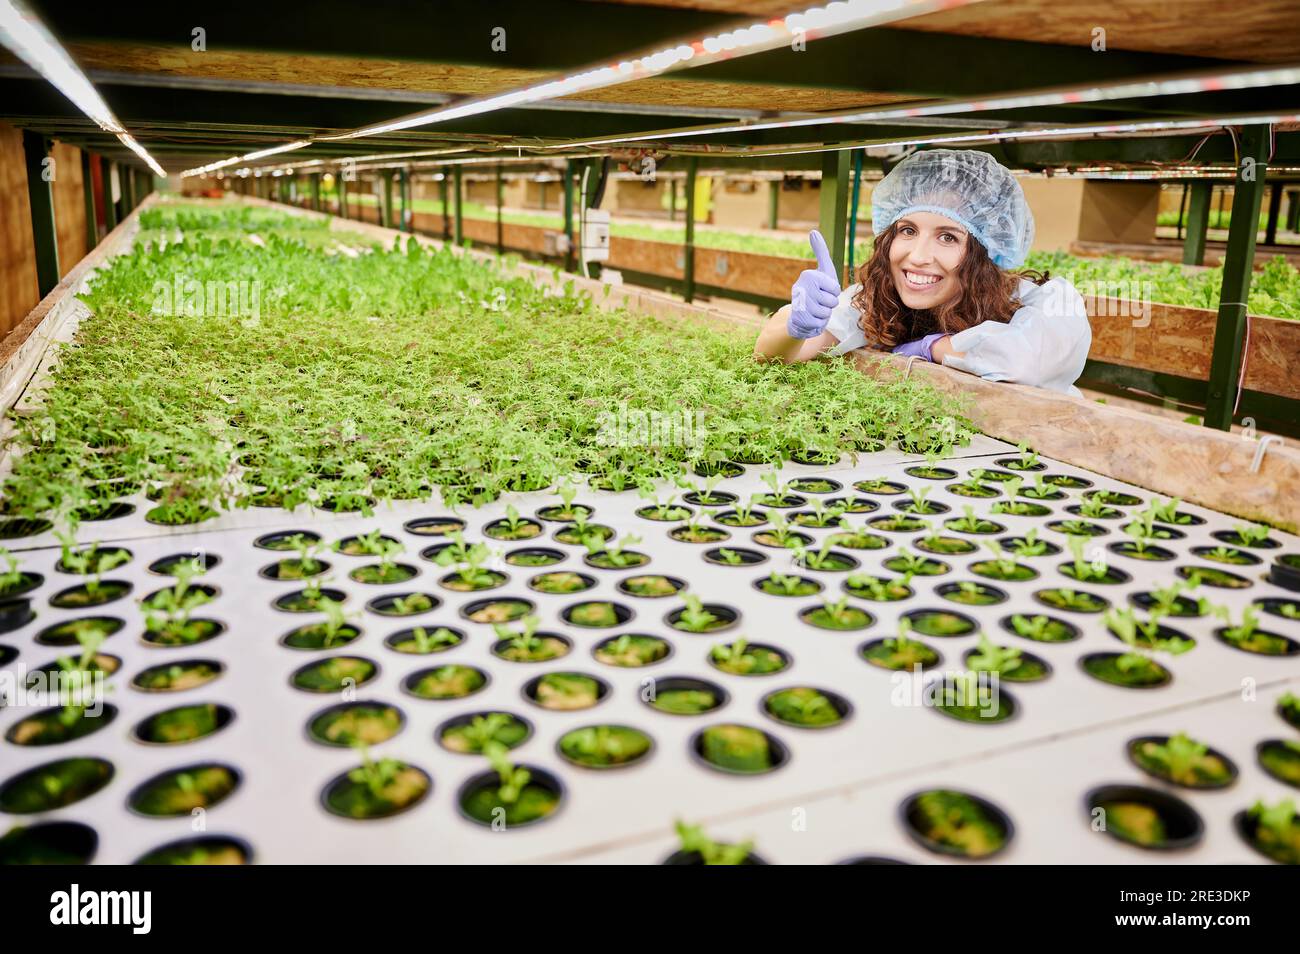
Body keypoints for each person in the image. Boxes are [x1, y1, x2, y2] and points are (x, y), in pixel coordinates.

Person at [753, 149, 1091, 396]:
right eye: (908, 230)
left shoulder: (1046, 301)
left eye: (948, 237)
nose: (917, 256)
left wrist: (934, 347)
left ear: (986, 251)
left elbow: (1022, 364)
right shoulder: (878, 300)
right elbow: (773, 355)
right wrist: (794, 325)